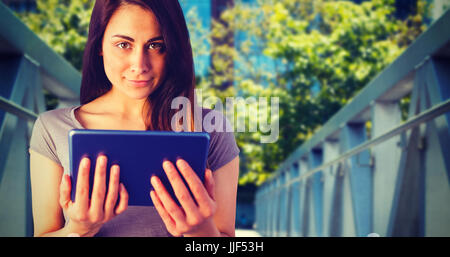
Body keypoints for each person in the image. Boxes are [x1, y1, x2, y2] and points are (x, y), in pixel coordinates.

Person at [29, 0, 240, 237]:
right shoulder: (52, 128)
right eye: (123, 44)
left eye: (155, 45)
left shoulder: (213, 128)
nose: (139, 65)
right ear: (99, 44)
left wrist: (202, 232)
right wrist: (78, 229)